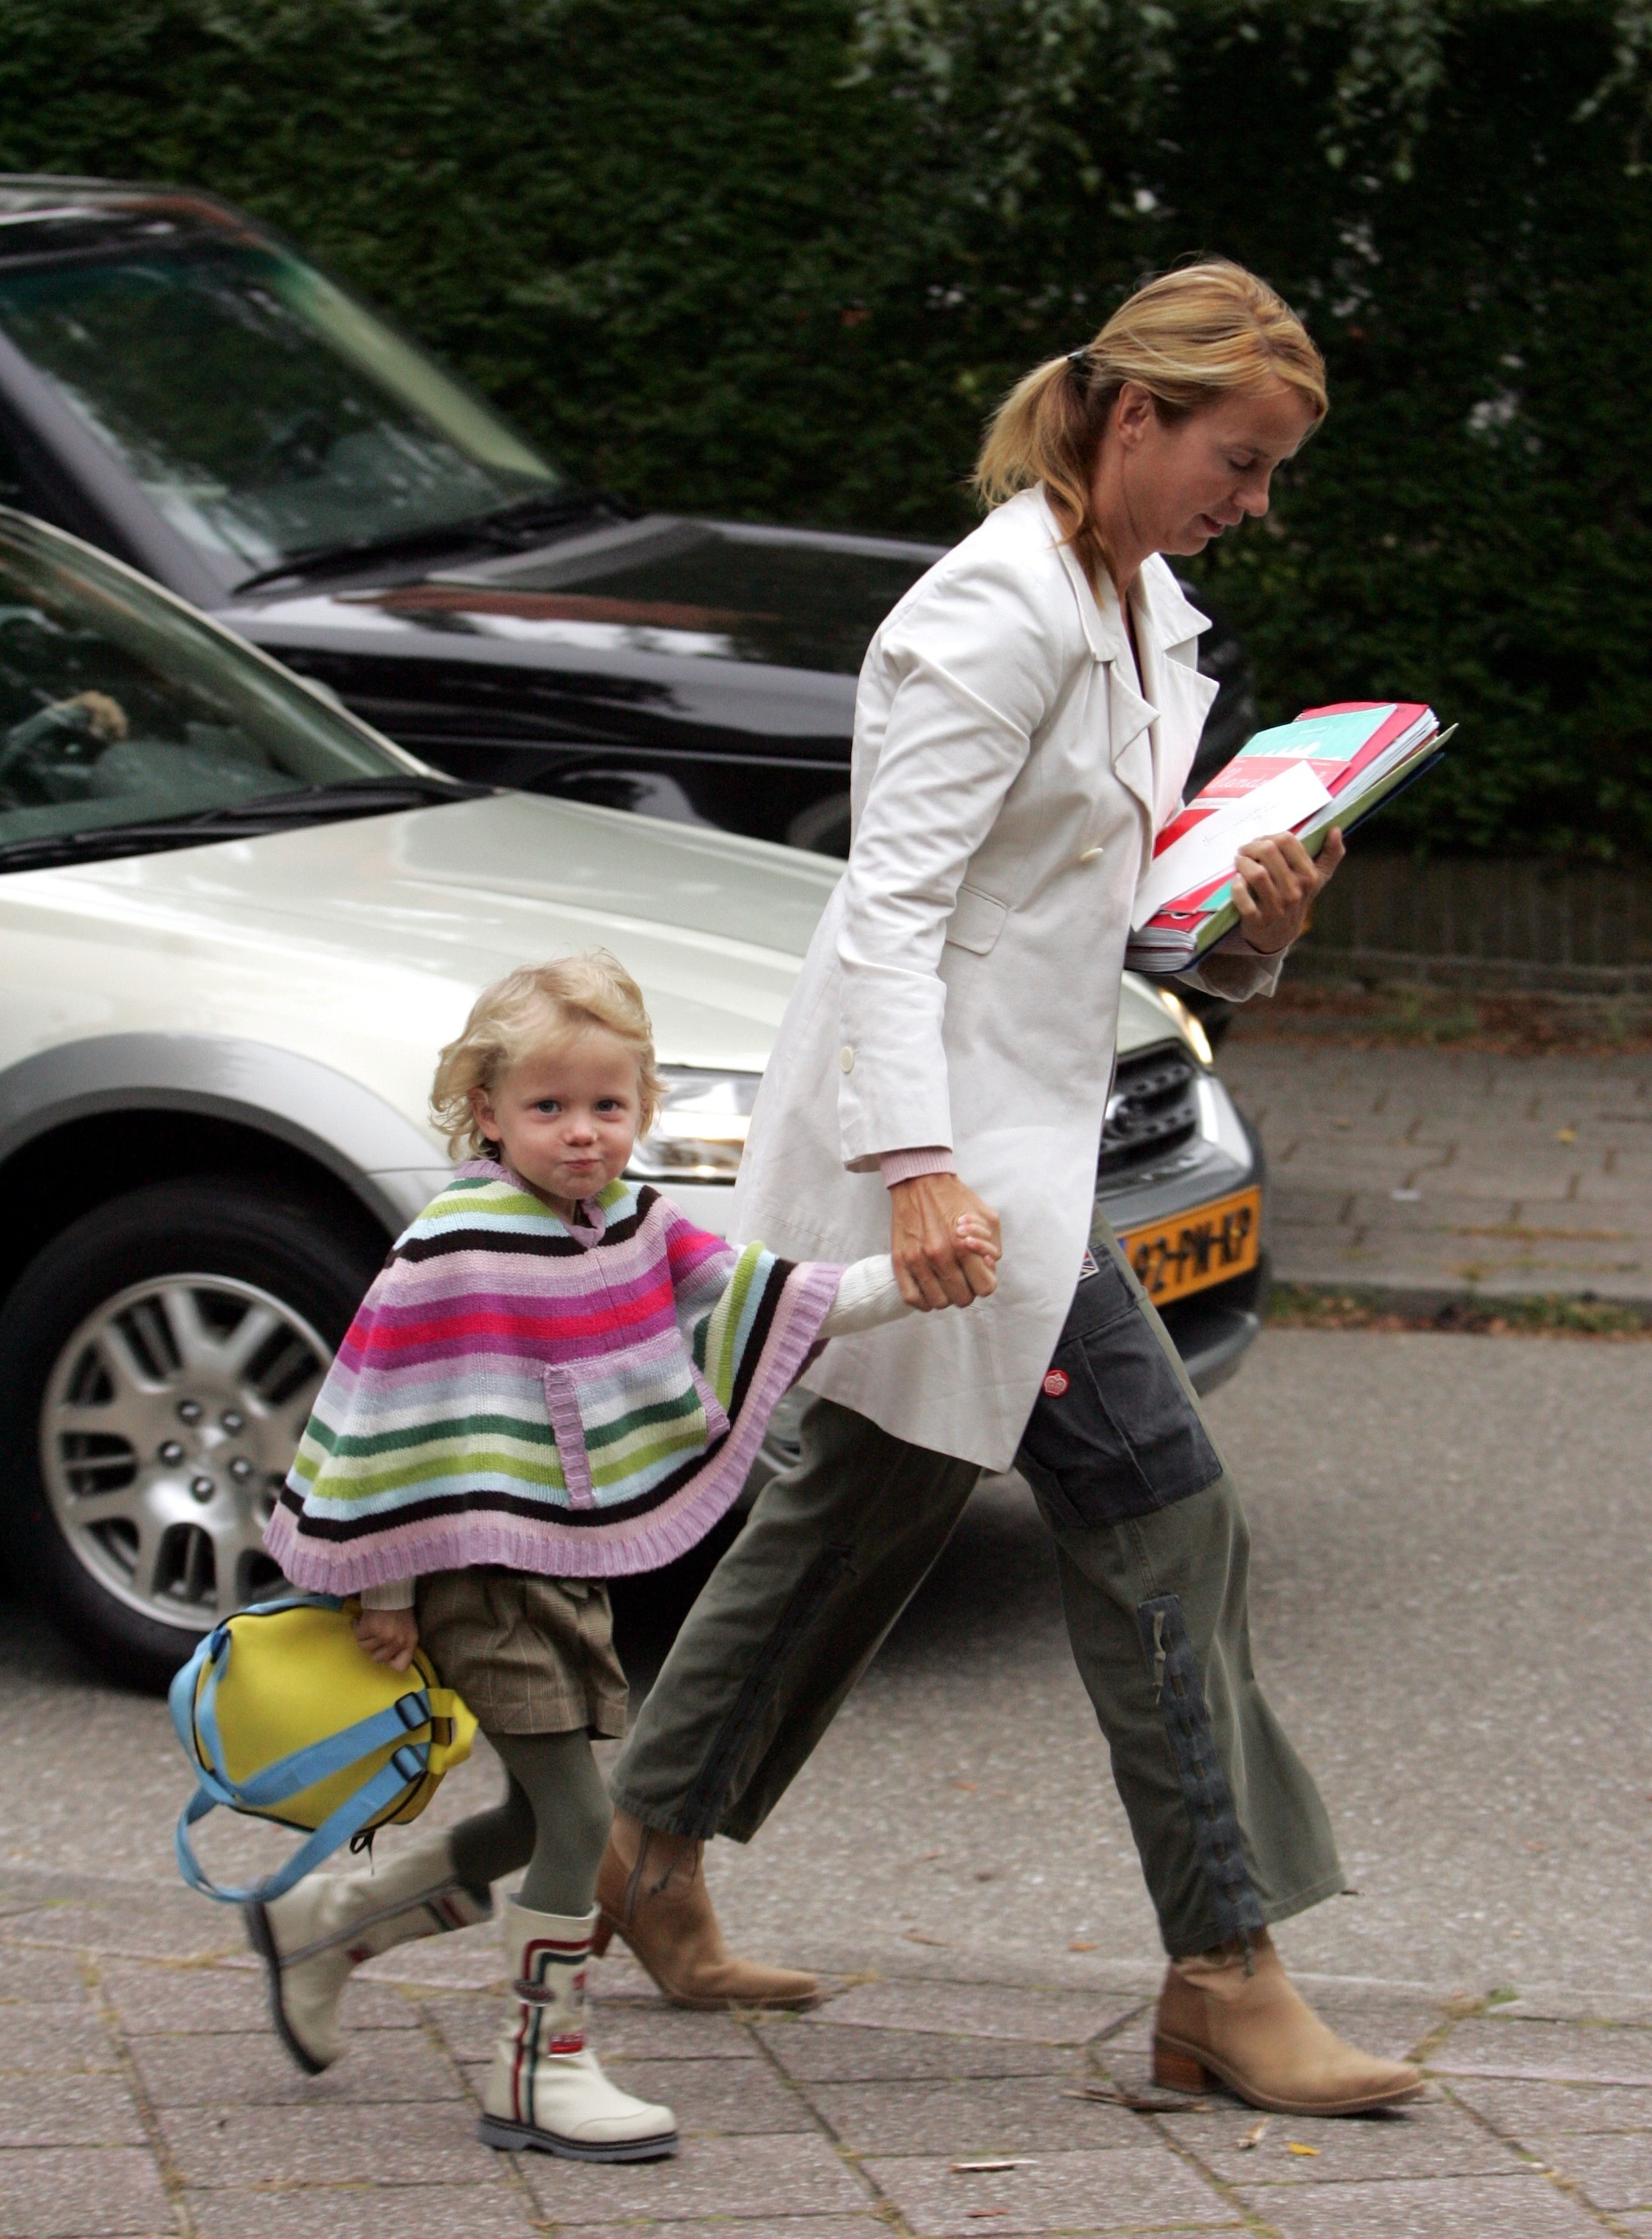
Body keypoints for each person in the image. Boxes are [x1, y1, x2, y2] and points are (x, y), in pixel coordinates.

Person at [595, 261, 1423, 2119]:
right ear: (1133, 414)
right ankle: (1224, 1969)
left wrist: (1246, 939)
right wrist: (913, 1175)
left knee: (858, 1500)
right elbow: (888, 910)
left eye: (1276, 469)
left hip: (1028, 1138)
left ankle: (645, 1851)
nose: (1255, 500)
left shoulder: (1139, 604)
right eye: (1239, 455)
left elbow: (1092, 914)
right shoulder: (987, 617)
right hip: (958, 1156)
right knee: (1161, 1511)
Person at [252, 952, 994, 2162]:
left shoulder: (629, 1225)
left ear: (642, 1106)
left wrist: (901, 1284)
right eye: (548, 1108)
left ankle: (324, 1925)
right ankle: (537, 2065)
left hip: (556, 1567)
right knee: (580, 1821)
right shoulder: (458, 1241)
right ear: (485, 1111)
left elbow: (759, 1294)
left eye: (609, 1106)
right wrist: (380, 1581)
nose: (583, 1135)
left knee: (527, 1819)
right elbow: (385, 1406)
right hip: (472, 1575)